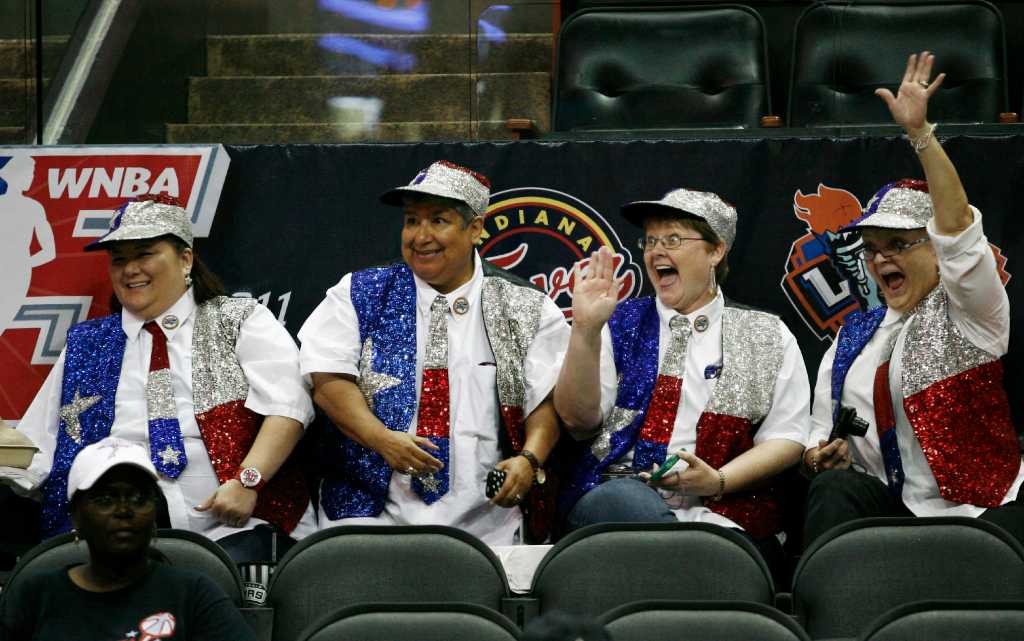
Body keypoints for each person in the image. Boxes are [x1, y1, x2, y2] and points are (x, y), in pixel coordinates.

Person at [3, 196, 316, 560]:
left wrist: (249, 481)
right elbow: (35, 448)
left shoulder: (239, 319)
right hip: (110, 534)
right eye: (119, 259)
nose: (130, 269)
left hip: (238, 523)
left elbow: (290, 407)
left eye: (144, 254)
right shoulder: (86, 343)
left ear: (185, 259)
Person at [802, 52, 1024, 547]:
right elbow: (815, 435)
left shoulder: (971, 312)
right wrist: (819, 457)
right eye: (873, 249)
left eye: (899, 244)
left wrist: (920, 134)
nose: (881, 260)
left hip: (979, 509)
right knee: (833, 489)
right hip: (890, 508)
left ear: (935, 249)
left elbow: (959, 232)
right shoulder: (852, 338)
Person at [298, 160, 569, 545]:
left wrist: (529, 459)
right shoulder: (359, 292)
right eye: (411, 221)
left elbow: (545, 399)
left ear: (475, 228)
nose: (420, 236)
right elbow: (327, 380)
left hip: (488, 522)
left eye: (438, 220)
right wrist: (381, 439)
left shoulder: (526, 306)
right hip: (368, 518)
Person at [554, 189, 810, 569]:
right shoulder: (618, 322)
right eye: (651, 240)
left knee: (738, 551)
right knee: (630, 502)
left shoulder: (767, 333)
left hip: (726, 512)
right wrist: (586, 330)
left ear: (716, 251)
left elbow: (787, 437)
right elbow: (578, 422)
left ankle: (696, 566)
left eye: (673, 239)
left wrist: (718, 481)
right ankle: (695, 563)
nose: (656, 251)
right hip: (617, 499)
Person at [0, 437, 255, 641]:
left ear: (155, 514)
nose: (123, 511)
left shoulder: (194, 595)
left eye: (138, 498)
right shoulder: (35, 596)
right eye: (105, 499)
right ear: (76, 517)